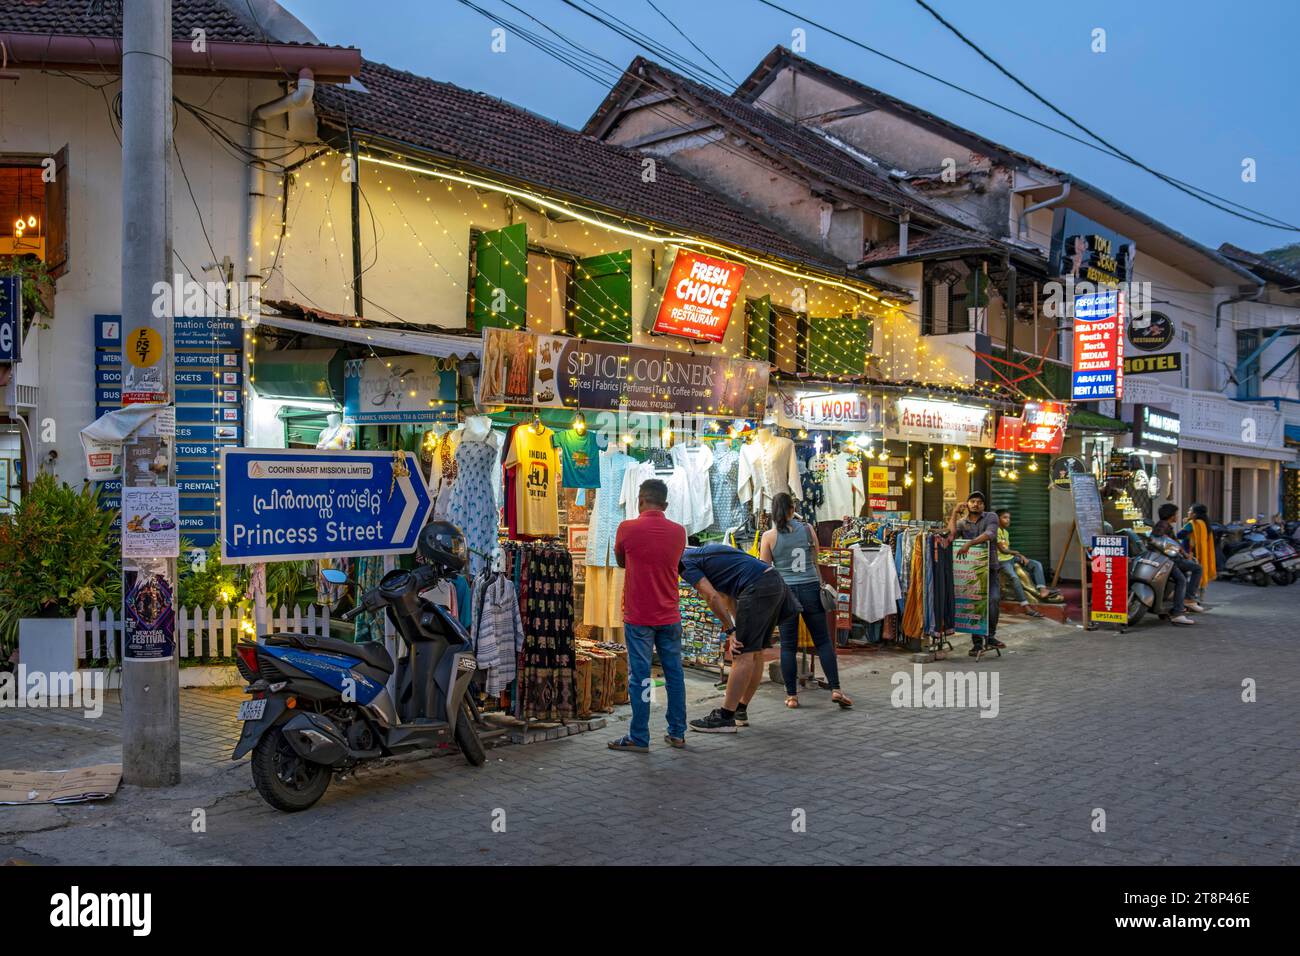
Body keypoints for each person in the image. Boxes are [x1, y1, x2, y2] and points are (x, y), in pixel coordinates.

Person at [680, 542, 799, 733]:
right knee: (755, 651)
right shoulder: (705, 554)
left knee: (742, 653)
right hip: (773, 582)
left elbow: (712, 597)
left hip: (759, 588)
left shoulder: (684, 562)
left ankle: (725, 718)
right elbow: (727, 597)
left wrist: (730, 631)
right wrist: (735, 628)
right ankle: (740, 710)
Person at [607, 479, 689, 753]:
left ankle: (640, 736)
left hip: (639, 615)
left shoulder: (626, 529)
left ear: (640, 500)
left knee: (641, 677)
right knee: (674, 674)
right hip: (669, 614)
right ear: (665, 505)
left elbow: (621, 561)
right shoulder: (679, 533)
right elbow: (677, 564)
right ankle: (677, 732)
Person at [760, 493, 851, 710]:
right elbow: (816, 557)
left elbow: (765, 569)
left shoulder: (769, 536)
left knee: (788, 646)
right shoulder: (808, 529)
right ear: (793, 509)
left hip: (786, 593)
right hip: (811, 588)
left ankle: (792, 696)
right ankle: (836, 688)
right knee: (822, 642)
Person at [950, 491, 1006, 656]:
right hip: (971, 571)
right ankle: (977, 643)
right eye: (972, 501)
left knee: (993, 601)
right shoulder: (962, 522)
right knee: (975, 604)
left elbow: (990, 534)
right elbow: (951, 535)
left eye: (979, 502)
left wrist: (970, 544)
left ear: (984, 506)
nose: (976, 504)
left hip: (991, 568)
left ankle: (990, 636)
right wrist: (954, 513)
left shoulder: (991, 517)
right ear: (967, 504)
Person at [1152, 503, 1205, 622]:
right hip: (1168, 560)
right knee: (1193, 571)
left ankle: (1182, 603)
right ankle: (1183, 606)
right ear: (1171, 516)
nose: (1177, 516)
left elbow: (1175, 542)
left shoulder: (1166, 525)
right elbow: (1158, 538)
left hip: (1172, 559)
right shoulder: (1163, 525)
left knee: (1185, 575)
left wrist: (1184, 553)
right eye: (1175, 514)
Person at [995, 509, 1052, 618]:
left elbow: (1008, 549)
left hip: (1010, 558)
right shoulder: (995, 531)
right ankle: (1026, 607)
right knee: (1015, 578)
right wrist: (1019, 554)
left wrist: (1017, 556)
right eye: (1005, 517)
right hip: (1002, 561)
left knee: (1036, 564)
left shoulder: (1005, 532)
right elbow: (1003, 550)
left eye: (1009, 518)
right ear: (998, 519)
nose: (1008, 520)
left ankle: (1042, 588)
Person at [1181, 503, 1217, 600]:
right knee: (1199, 573)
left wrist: (1185, 524)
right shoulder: (1205, 524)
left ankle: (1190, 596)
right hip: (1202, 554)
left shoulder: (1193, 523)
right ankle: (1200, 594)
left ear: (1194, 514)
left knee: (1188, 574)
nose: (1188, 512)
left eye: (1190, 510)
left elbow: (1180, 535)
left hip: (1190, 553)